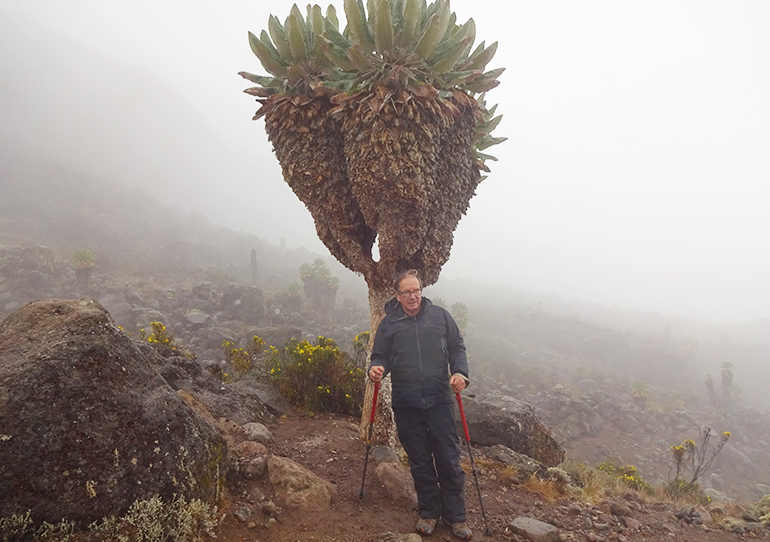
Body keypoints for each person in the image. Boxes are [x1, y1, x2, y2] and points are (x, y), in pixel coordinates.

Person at [368, 269, 472, 540]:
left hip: (439, 399)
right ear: (397, 295)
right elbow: (380, 355)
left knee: (448, 459)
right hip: (407, 403)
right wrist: (376, 369)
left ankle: (456, 516)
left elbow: (457, 347)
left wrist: (461, 374)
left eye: (416, 290)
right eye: (407, 292)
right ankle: (429, 512)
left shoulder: (440, 316)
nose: (413, 296)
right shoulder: (388, 324)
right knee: (420, 460)